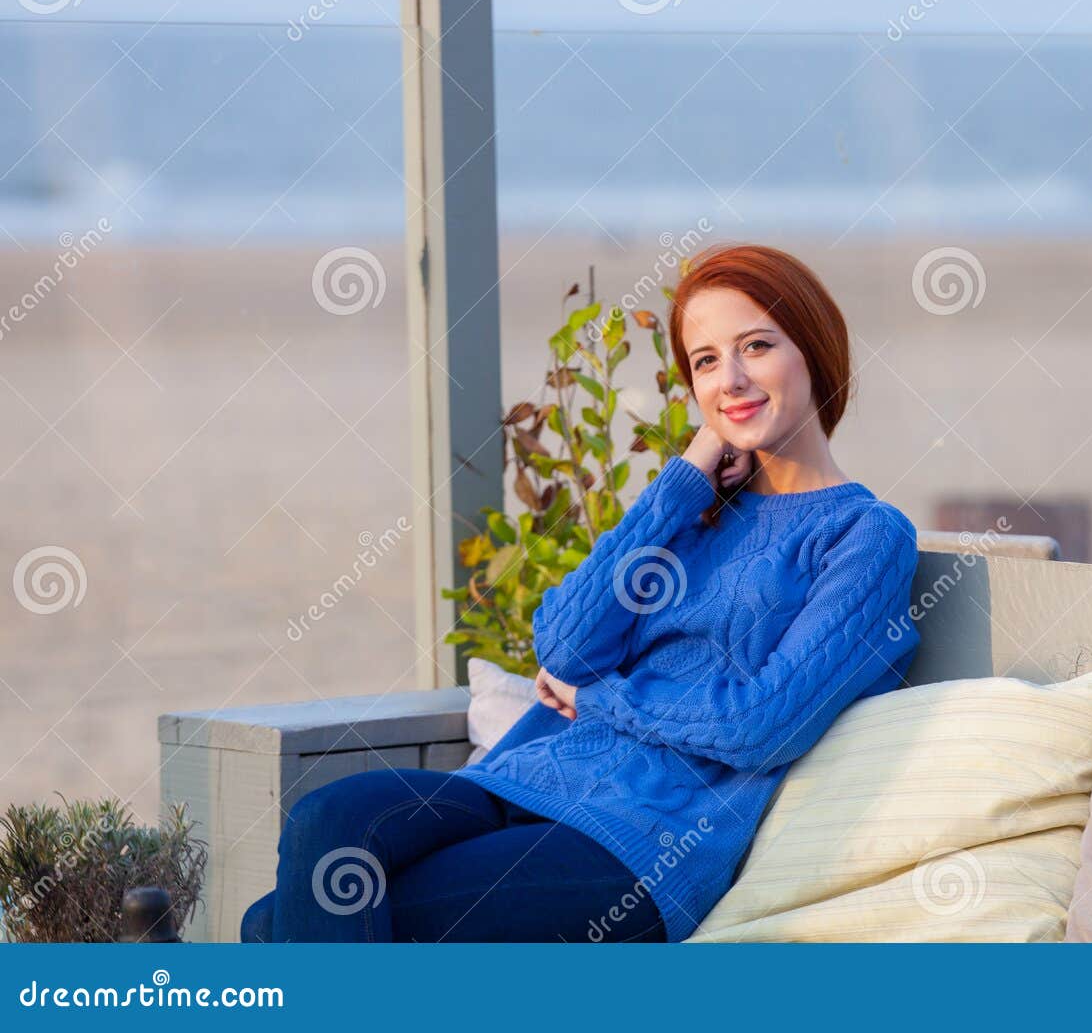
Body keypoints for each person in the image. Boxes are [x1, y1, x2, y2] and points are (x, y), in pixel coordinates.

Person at [240, 242, 922, 942]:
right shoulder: (694, 510)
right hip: (531, 778)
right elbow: (564, 646)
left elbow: (759, 724)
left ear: (812, 348)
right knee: (325, 822)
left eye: (757, 345)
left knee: (277, 926)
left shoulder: (865, 536)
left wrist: (599, 698)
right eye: (707, 361)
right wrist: (683, 478)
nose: (733, 379)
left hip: (645, 841)